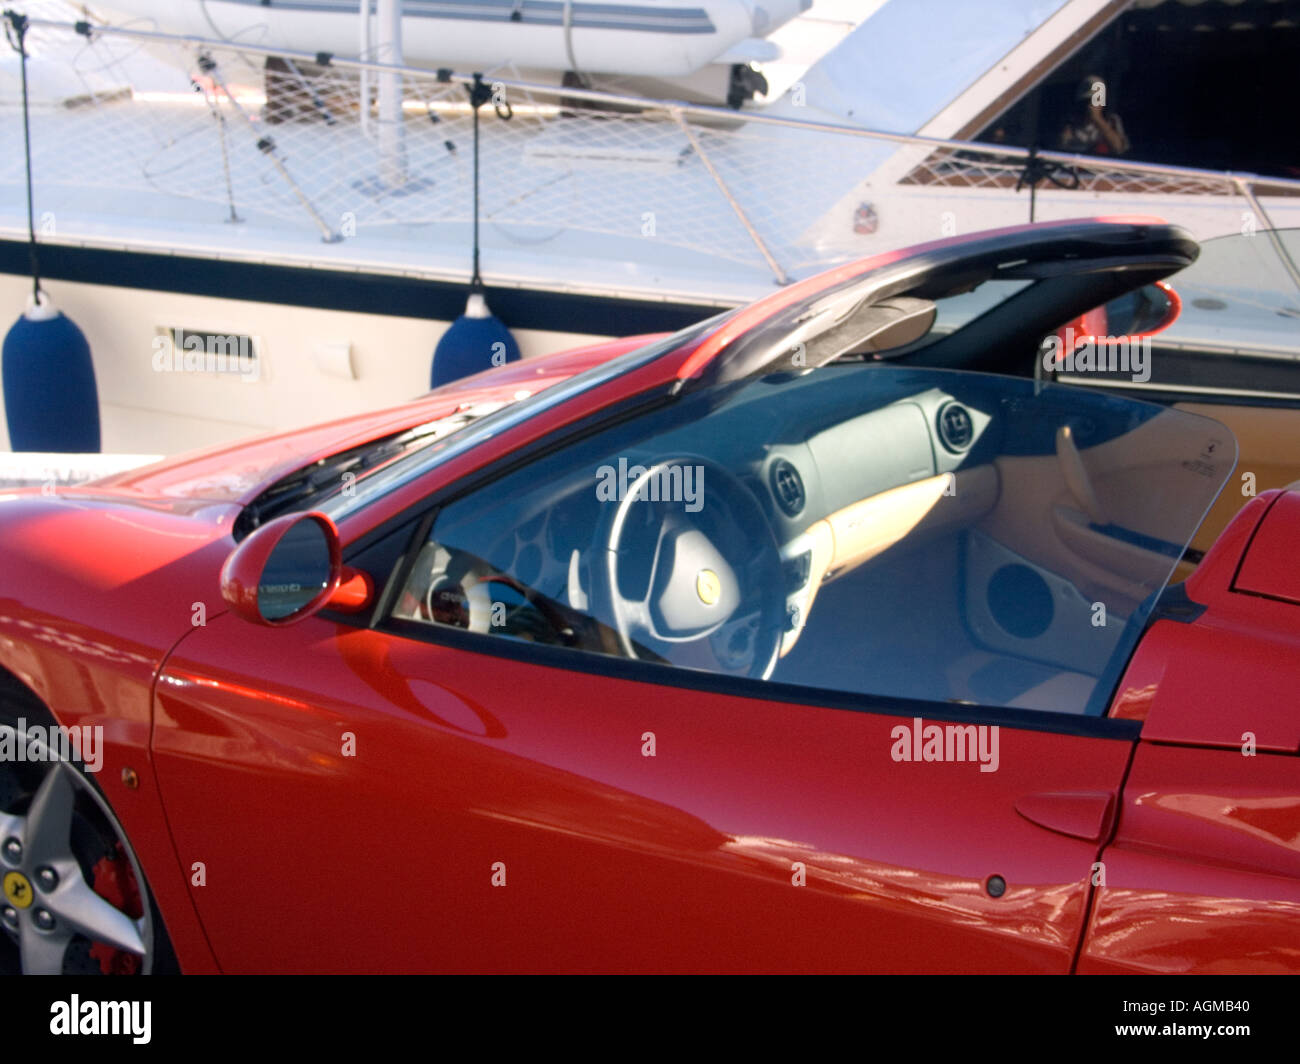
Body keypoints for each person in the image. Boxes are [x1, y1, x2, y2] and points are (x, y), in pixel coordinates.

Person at [1057, 75, 1130, 156]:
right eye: (1088, 101)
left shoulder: (1112, 120)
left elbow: (1119, 148)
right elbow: (1060, 150)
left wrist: (1098, 119)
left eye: (1096, 101)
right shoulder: (1070, 123)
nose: (1090, 105)